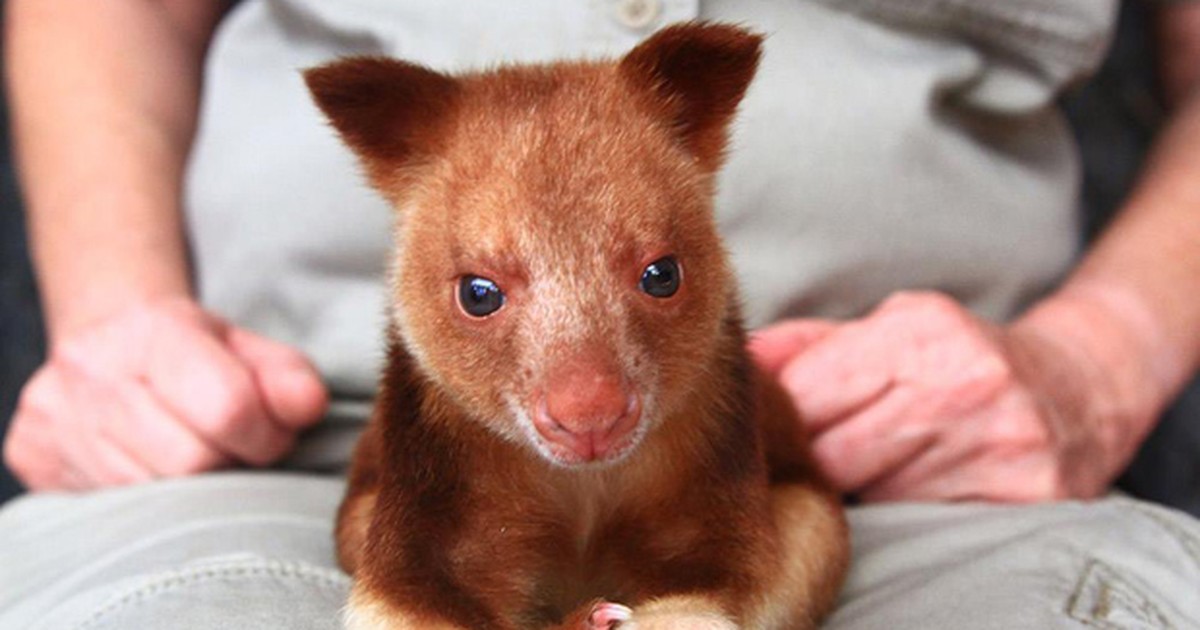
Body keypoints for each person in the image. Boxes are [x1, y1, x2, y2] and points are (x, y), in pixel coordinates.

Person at [2, 0, 1199, 628]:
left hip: (932, 482)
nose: (586, 395)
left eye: (656, 275)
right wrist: (116, 321)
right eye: (484, 292)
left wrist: (1102, 354)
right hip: (275, 448)